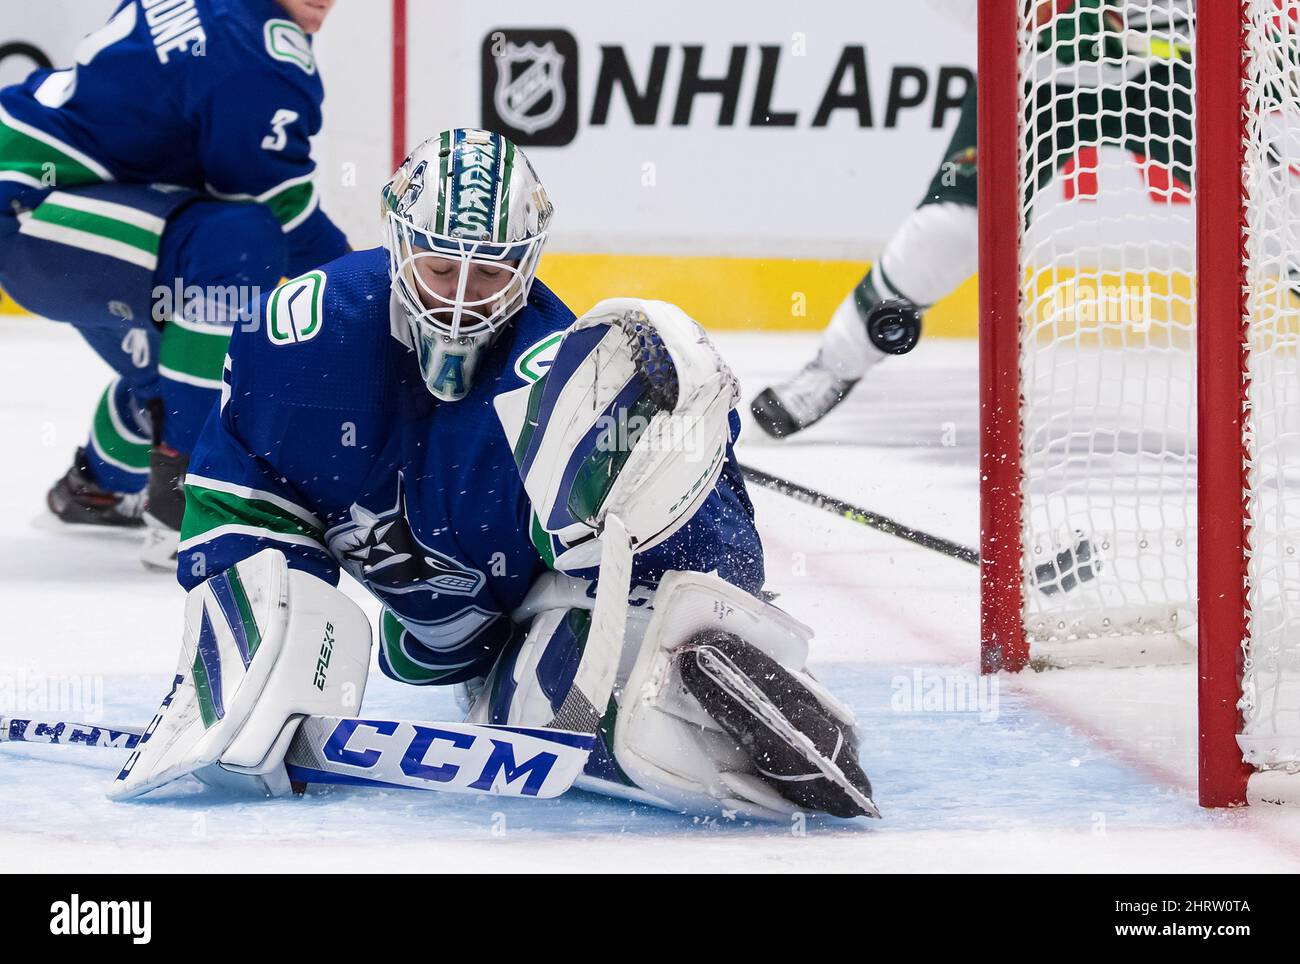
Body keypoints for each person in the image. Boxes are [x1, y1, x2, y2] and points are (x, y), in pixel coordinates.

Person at [107, 129, 879, 820]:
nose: (462, 303)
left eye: (491, 275)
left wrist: (679, 451)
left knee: (590, 702)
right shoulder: (311, 332)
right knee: (269, 644)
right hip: (424, 618)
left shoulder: (567, 386)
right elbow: (243, 493)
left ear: (529, 263)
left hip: (514, 612)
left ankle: (696, 717)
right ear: (400, 243)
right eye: (443, 270)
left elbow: (705, 564)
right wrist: (238, 646)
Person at [0, 0, 349, 565]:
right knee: (239, 241)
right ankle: (186, 501)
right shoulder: (255, 50)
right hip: (29, 207)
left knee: (183, 369)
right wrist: (361, 291)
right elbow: (275, 202)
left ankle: (95, 486)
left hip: (48, 196)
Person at [751, 0, 1193, 437]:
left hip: (1173, 69)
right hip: (1038, 78)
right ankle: (834, 366)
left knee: (1258, 185)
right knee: (951, 231)